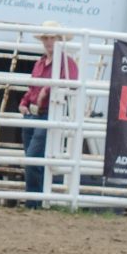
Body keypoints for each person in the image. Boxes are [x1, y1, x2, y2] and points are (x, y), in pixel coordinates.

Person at [17, 21, 78, 209]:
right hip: (34, 113)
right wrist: (24, 102)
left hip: (48, 114)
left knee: (33, 157)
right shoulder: (41, 62)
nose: (49, 41)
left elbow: (72, 84)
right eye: (46, 38)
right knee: (32, 159)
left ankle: (34, 202)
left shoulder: (67, 63)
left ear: (59, 40)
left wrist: (48, 90)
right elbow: (32, 87)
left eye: (52, 38)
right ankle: (36, 201)